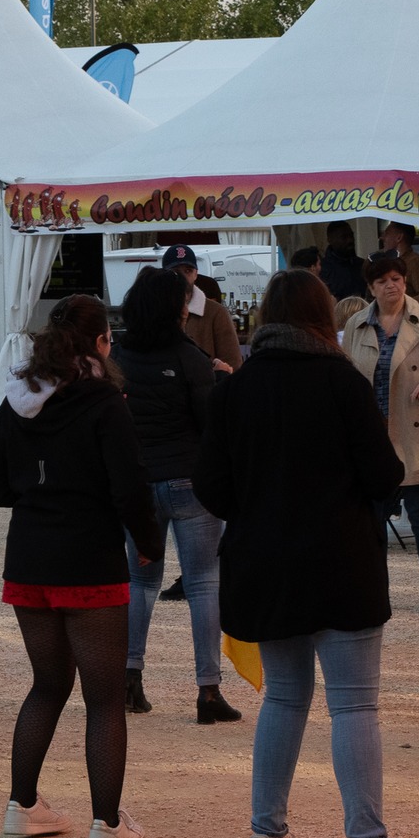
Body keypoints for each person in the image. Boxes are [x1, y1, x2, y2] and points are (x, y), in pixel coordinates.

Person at [194, 269, 419, 838]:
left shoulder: (233, 392)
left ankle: (267, 836)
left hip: (263, 563)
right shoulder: (343, 383)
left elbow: (211, 488)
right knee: (353, 704)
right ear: (324, 317)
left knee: (284, 698)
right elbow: (383, 475)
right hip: (340, 558)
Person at [0, 294, 162, 838]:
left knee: (47, 683)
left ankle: (23, 805)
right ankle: (107, 824)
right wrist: (150, 543)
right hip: (89, 557)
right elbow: (130, 485)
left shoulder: (14, 403)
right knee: (105, 696)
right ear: (100, 344)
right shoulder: (105, 404)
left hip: (30, 556)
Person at [110, 268, 239, 722]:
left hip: (140, 484)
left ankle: (128, 676)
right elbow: (210, 424)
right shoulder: (190, 356)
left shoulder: (119, 354)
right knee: (204, 583)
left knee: (140, 581)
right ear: (176, 308)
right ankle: (208, 690)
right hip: (188, 479)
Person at [344, 252, 419, 615]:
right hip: (373, 435)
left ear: (405, 281)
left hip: (416, 430)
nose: (391, 285)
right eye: (382, 281)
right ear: (371, 287)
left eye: (396, 278)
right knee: (371, 518)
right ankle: (372, 587)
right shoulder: (356, 325)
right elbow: (347, 372)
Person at [159, 245, 241, 372]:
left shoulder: (216, 312)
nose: (182, 277)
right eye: (176, 271)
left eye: (188, 271)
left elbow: (232, 363)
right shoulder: (156, 310)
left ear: (196, 274)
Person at [379, 223, 419, 310]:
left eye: (387, 234)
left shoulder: (416, 263)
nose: (382, 238)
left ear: (399, 238)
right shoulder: (387, 262)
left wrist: (398, 305)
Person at [318, 222, 368, 306]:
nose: (350, 240)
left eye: (351, 236)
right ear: (330, 240)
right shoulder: (322, 269)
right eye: (343, 237)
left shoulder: (363, 265)